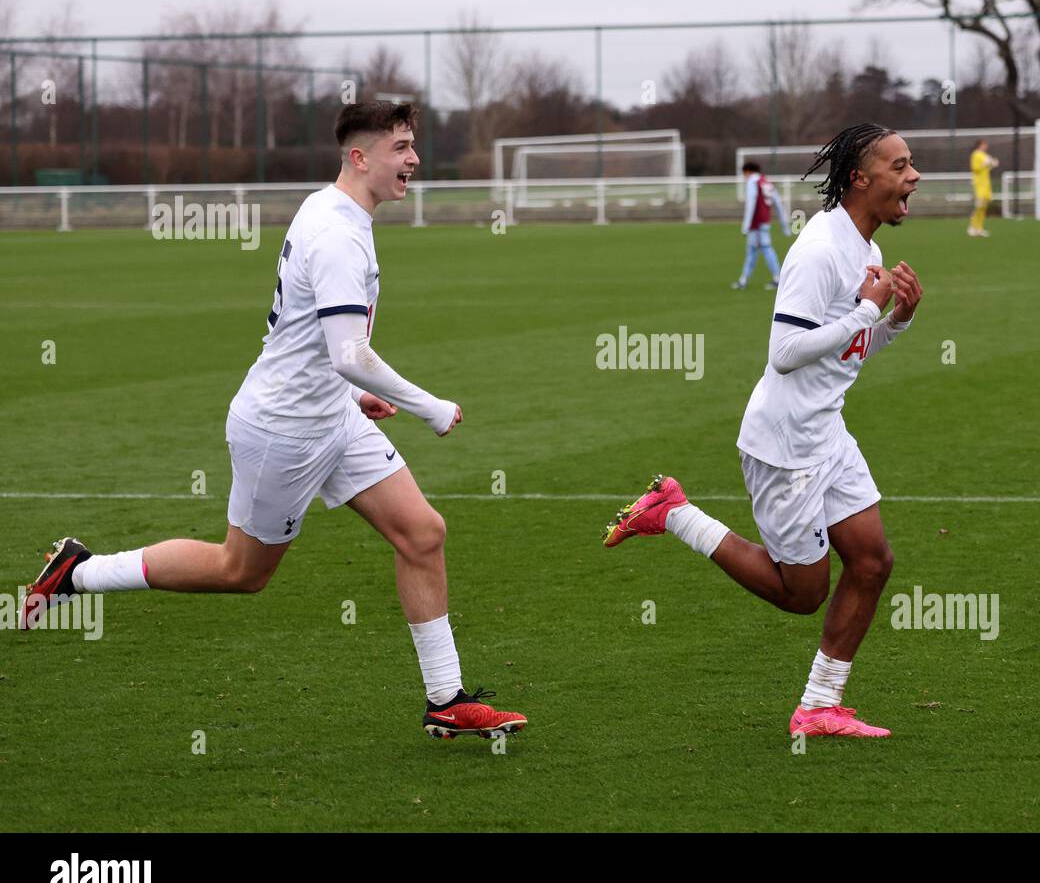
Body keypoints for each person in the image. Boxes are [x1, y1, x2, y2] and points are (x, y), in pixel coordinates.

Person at [22, 101, 527, 741]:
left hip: (331, 417)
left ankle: (445, 699)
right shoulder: (338, 233)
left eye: (412, 146)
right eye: (401, 147)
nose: (414, 160)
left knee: (423, 533)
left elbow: (323, 348)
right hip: (283, 430)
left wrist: (348, 401)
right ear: (360, 156)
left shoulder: (331, 207)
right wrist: (430, 408)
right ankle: (79, 573)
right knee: (242, 572)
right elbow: (350, 353)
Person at [605, 123, 922, 739]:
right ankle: (673, 513)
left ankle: (819, 706)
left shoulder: (869, 251)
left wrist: (897, 321)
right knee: (802, 594)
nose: (913, 176)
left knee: (873, 561)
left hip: (826, 433)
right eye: (901, 165)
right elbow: (784, 351)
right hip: (785, 447)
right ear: (861, 178)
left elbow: (846, 351)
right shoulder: (820, 248)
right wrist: (865, 310)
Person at [732, 160, 790, 290]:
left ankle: (778, 279)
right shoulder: (765, 181)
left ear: (747, 171)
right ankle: (744, 280)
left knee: (765, 249)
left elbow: (751, 202)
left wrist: (746, 225)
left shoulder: (753, 182)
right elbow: (778, 202)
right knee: (753, 251)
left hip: (756, 223)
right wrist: (784, 224)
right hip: (764, 222)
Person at [967, 138, 998, 237]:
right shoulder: (975, 154)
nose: (986, 146)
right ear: (979, 145)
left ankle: (979, 228)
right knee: (978, 206)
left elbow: (988, 166)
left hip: (986, 184)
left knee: (984, 206)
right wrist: (985, 165)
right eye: (984, 144)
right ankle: (972, 227)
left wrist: (993, 164)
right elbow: (975, 168)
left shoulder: (985, 155)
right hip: (979, 184)